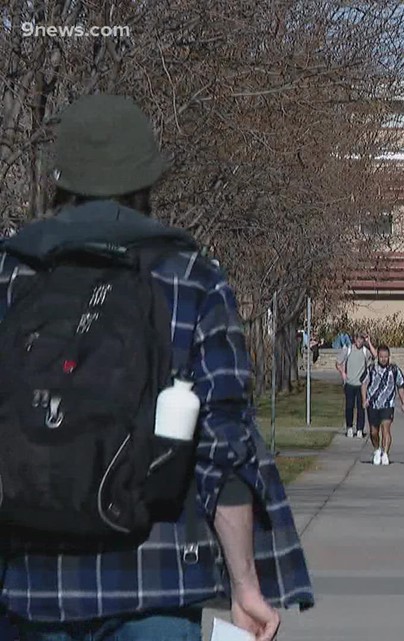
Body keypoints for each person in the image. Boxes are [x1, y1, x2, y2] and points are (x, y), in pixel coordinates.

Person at [0, 94, 312, 641]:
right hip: (157, 577)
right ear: (144, 182)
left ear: (60, 180)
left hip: (30, 581)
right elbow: (224, 446)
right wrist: (245, 585)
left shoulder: (12, 273)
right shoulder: (189, 277)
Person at [362, 342, 404, 466]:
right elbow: (364, 384)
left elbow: (401, 386)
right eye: (381, 356)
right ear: (378, 356)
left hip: (388, 404)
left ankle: (385, 453)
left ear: (389, 356)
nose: (384, 359)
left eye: (386, 356)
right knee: (373, 432)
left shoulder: (394, 370)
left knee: (385, 429)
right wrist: (364, 399)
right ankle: (377, 450)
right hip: (373, 404)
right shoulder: (371, 369)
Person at [336, 333, 371, 438]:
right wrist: (343, 373)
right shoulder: (348, 349)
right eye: (358, 339)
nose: (360, 341)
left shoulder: (365, 351)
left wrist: (369, 342)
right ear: (355, 339)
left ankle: (360, 429)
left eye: (362, 339)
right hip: (349, 383)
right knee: (349, 407)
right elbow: (338, 363)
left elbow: (374, 358)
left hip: (361, 385)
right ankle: (349, 428)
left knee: (361, 407)